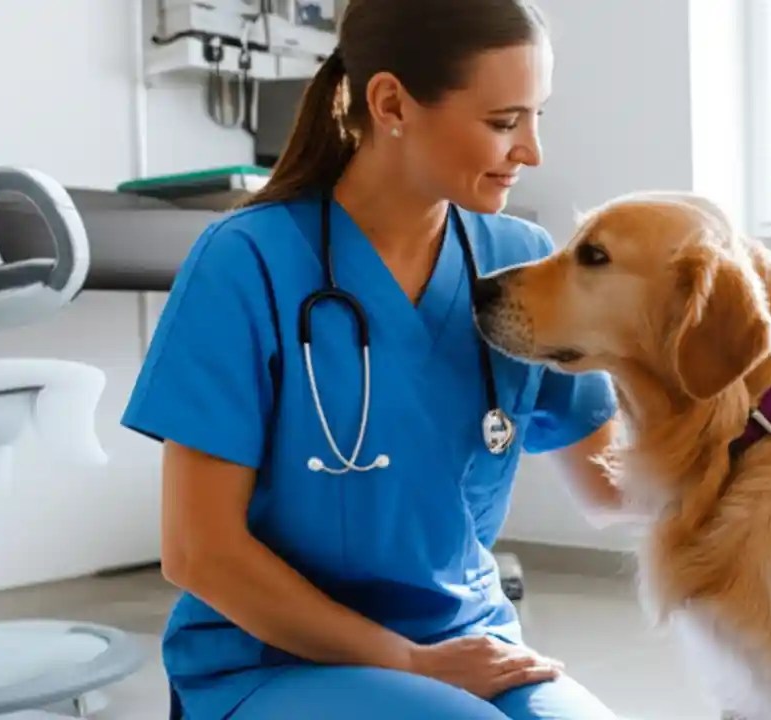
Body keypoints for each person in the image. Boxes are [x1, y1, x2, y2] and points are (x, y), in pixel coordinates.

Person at [119, 1, 629, 717]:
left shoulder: (520, 264)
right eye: (504, 122)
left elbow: (610, 493)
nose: (533, 151)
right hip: (273, 657)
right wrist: (414, 663)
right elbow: (199, 551)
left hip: (471, 643)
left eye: (537, 116)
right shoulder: (245, 263)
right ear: (391, 102)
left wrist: (723, 394)